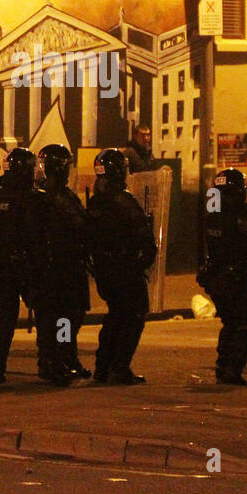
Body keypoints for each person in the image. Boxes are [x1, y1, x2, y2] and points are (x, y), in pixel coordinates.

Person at [0, 147, 48, 384]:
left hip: (0, 263)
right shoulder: (33, 198)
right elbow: (39, 234)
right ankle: (51, 362)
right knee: (48, 314)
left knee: (5, 316)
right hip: (25, 264)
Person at [87, 149, 157, 384]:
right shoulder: (123, 201)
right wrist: (143, 261)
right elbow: (143, 236)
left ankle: (103, 366)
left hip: (105, 269)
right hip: (125, 268)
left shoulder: (96, 201)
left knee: (115, 315)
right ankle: (119, 366)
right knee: (133, 316)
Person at [200, 168, 247, 385]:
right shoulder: (239, 217)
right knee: (243, 325)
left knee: (230, 324)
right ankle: (231, 369)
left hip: (216, 277)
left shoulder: (213, 215)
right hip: (235, 279)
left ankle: (223, 367)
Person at [36, 144, 92, 383]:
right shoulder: (47, 197)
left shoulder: (63, 195)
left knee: (71, 315)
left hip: (69, 265)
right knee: (58, 318)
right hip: (56, 266)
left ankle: (66, 356)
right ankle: (53, 361)